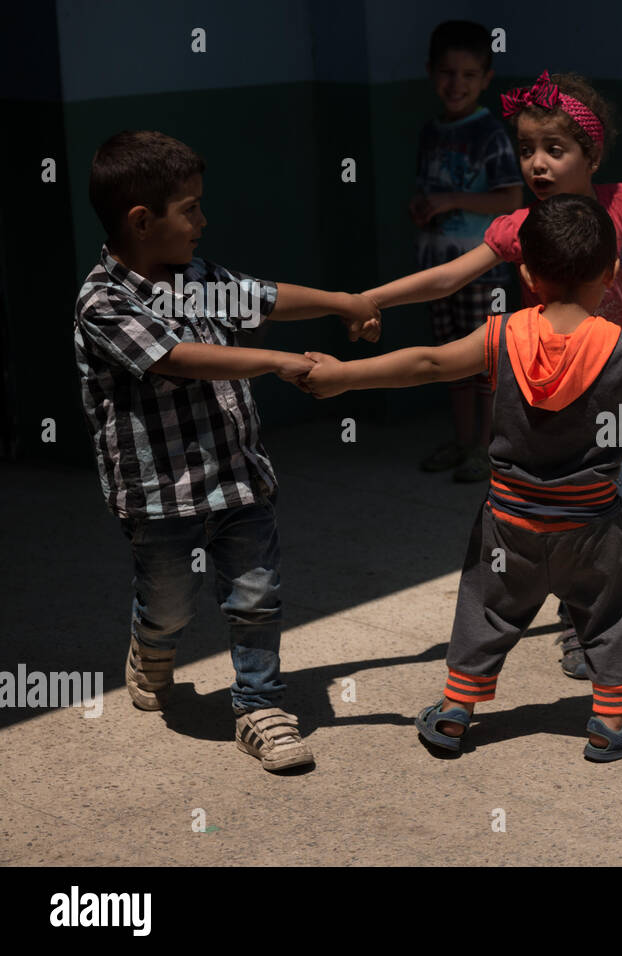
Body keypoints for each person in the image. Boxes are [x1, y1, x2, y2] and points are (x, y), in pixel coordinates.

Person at [301, 194, 622, 759]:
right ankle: (614, 724)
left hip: (508, 521)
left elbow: (427, 363)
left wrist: (345, 376)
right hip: (592, 523)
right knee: (613, 615)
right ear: (612, 271)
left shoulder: (500, 336)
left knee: (485, 609)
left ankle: (453, 713)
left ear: (526, 272)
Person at [364, 70, 622, 678]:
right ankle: (572, 610)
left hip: (609, 388)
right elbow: (448, 277)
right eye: (527, 149)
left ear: (592, 154)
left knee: (618, 503)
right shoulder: (516, 226)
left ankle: (582, 611)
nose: (536, 164)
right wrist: (370, 299)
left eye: (553, 150)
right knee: (548, 507)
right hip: (536, 392)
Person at [74, 130, 381, 770]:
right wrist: (274, 361)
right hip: (161, 498)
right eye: (190, 208)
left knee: (256, 596)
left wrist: (343, 303)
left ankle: (260, 706)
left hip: (239, 481)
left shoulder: (200, 277)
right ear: (141, 220)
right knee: (168, 604)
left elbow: (263, 298)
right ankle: (151, 648)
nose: (203, 221)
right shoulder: (103, 302)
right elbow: (177, 359)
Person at [410, 20, 523, 482]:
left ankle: (485, 448)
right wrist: (423, 208)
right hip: (436, 268)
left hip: (482, 272)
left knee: (484, 361)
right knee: (448, 359)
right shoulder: (431, 131)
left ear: (486, 79)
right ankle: (461, 441)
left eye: (469, 75)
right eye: (447, 72)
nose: (456, 84)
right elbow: (430, 190)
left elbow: (511, 200)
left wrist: (454, 201)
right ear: (431, 72)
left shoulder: (490, 135)